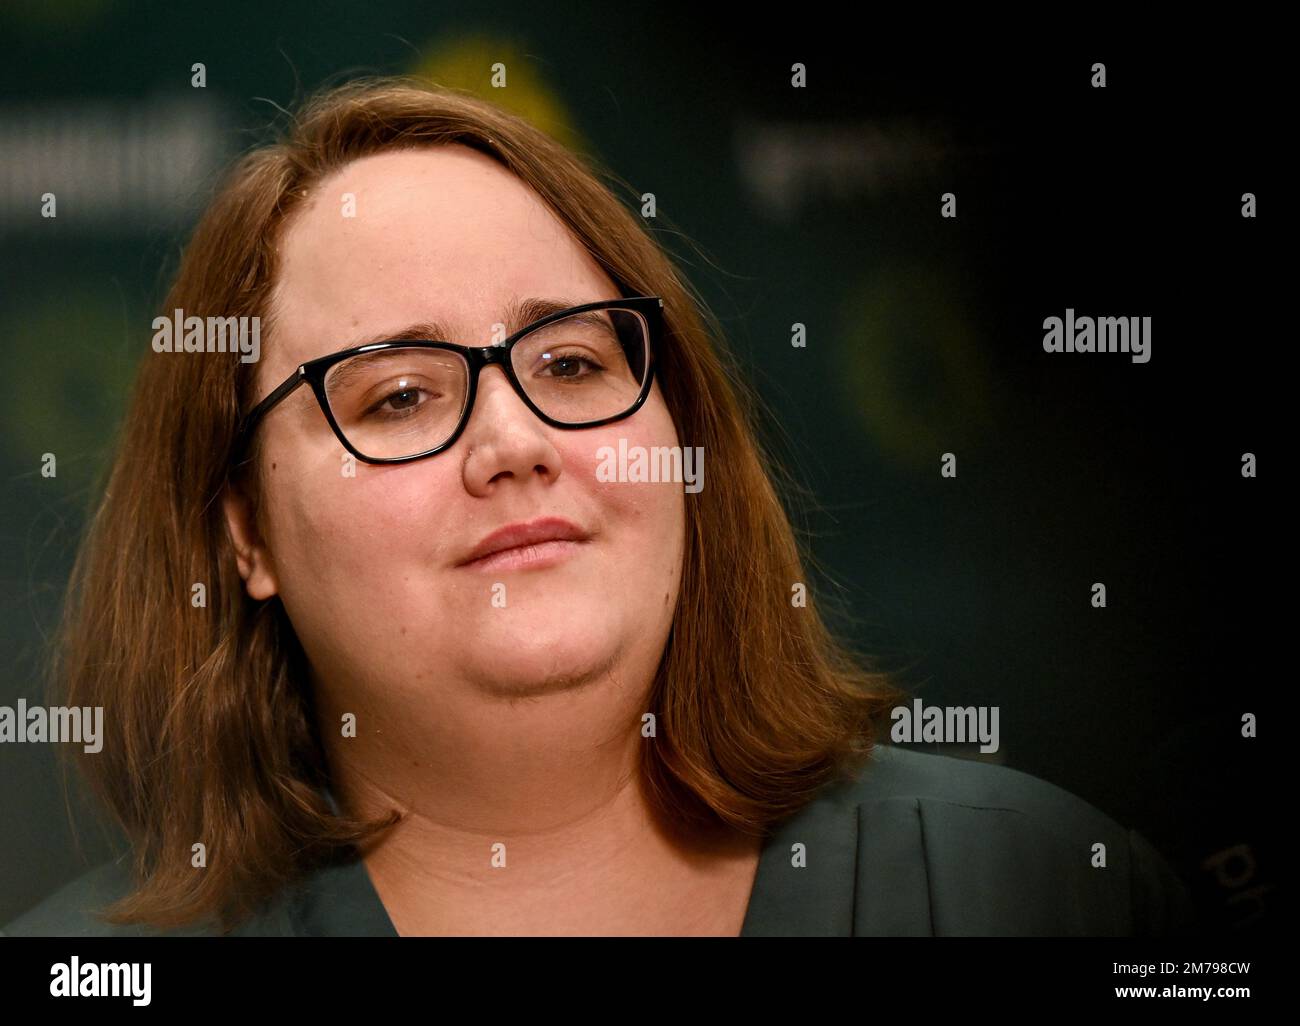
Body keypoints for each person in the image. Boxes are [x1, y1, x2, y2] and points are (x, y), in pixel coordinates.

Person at [2, 78, 1196, 937]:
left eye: (572, 365)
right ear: (245, 533)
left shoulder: (1055, 888)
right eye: (402, 395)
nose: (514, 444)